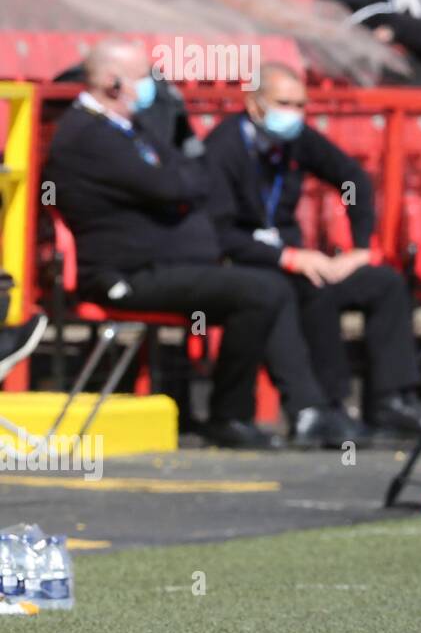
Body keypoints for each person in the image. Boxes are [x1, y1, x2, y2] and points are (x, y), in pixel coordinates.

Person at [42, 39, 355, 449]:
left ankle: (307, 410)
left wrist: (183, 167)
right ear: (111, 82)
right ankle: (231, 415)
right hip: (124, 274)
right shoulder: (88, 134)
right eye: (144, 77)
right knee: (261, 291)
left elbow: (194, 176)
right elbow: (172, 185)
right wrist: (184, 173)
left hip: (168, 266)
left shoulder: (131, 127)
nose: (153, 87)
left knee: (266, 286)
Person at [204, 63, 421, 437]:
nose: (293, 114)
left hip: (299, 257)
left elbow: (351, 178)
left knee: (384, 282)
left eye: (300, 104)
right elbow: (220, 232)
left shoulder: (297, 140)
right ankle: (326, 405)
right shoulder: (223, 148)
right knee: (314, 291)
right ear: (254, 104)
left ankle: (391, 399)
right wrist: (288, 257)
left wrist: (359, 248)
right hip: (251, 262)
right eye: (283, 103)